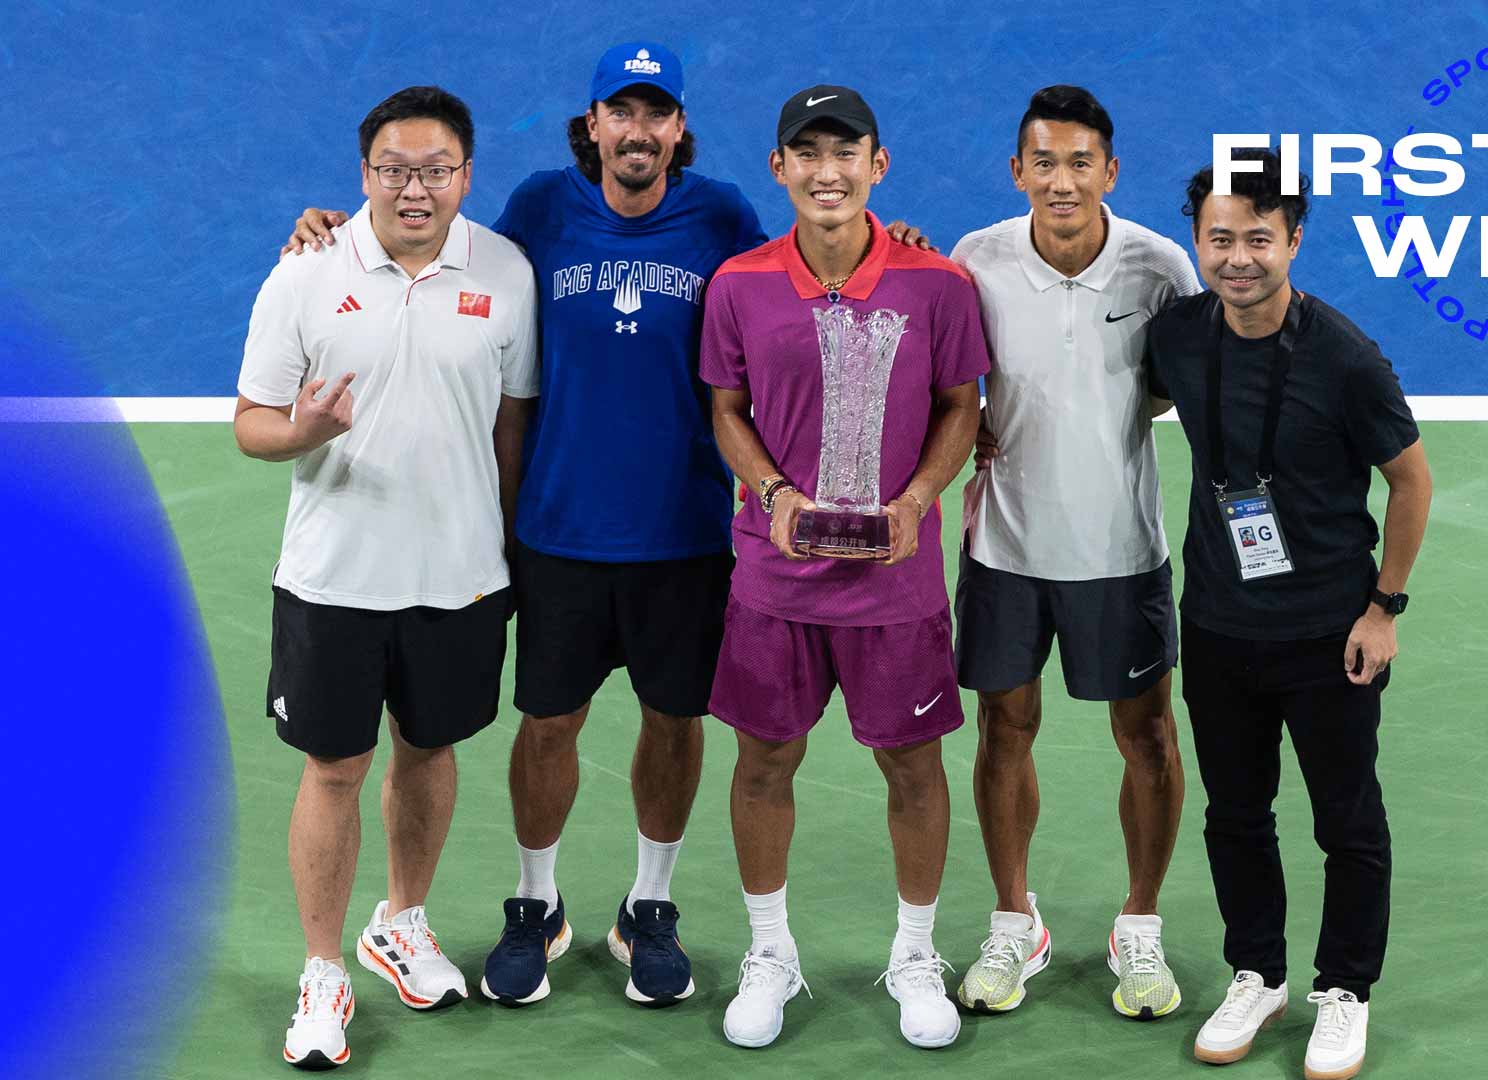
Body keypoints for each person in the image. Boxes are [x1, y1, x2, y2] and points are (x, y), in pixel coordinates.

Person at [282, 41, 762, 1009]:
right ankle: (537, 906)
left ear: (678, 128)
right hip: (555, 534)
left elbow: (796, 274)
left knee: (676, 722)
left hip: (688, 531)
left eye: (655, 114)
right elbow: (446, 253)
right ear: (592, 127)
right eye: (617, 115)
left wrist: (897, 237)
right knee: (549, 724)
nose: (636, 131)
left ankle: (649, 907)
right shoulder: (541, 209)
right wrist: (337, 232)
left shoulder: (723, 215)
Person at [236, 85, 538, 1068]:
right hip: (334, 578)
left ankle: (400, 923)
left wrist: (499, 544)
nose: (415, 189)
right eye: (394, 170)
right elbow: (252, 422)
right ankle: (324, 973)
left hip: (457, 577)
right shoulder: (306, 274)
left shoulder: (504, 270)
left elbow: (512, 423)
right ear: (363, 174)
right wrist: (303, 432)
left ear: (466, 174)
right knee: (335, 766)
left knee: (430, 750)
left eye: (436, 169)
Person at [699, 85, 989, 1050]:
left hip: (894, 582)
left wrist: (913, 505)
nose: (828, 171)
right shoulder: (738, 283)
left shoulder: (939, 284)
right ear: (778, 168)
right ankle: (770, 953)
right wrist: (775, 498)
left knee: (912, 764)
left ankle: (915, 954)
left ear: (879, 165)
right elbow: (727, 412)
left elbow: (962, 407)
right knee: (765, 760)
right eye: (806, 153)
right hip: (773, 581)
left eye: (846, 152)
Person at [1145, 149, 1432, 1079]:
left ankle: (1343, 990)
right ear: (1197, 241)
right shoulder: (1180, 335)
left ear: (1294, 241)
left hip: (1328, 634)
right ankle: (1257, 972)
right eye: (1220, 238)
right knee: (1236, 814)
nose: (1239, 258)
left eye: (1259, 239)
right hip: (1222, 629)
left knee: (1346, 819)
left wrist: (1383, 608)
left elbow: (1412, 481)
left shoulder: (1346, 358)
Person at [945, 85, 1200, 1020]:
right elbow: (942, 373)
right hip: (1006, 548)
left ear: (1110, 171)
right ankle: (1017, 922)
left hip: (1123, 550)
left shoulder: (1158, 266)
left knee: (1148, 739)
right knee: (1004, 732)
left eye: (1079, 163)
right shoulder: (976, 261)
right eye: (1043, 163)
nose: (1061, 181)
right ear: (1017, 172)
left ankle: (1140, 925)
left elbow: (1182, 385)